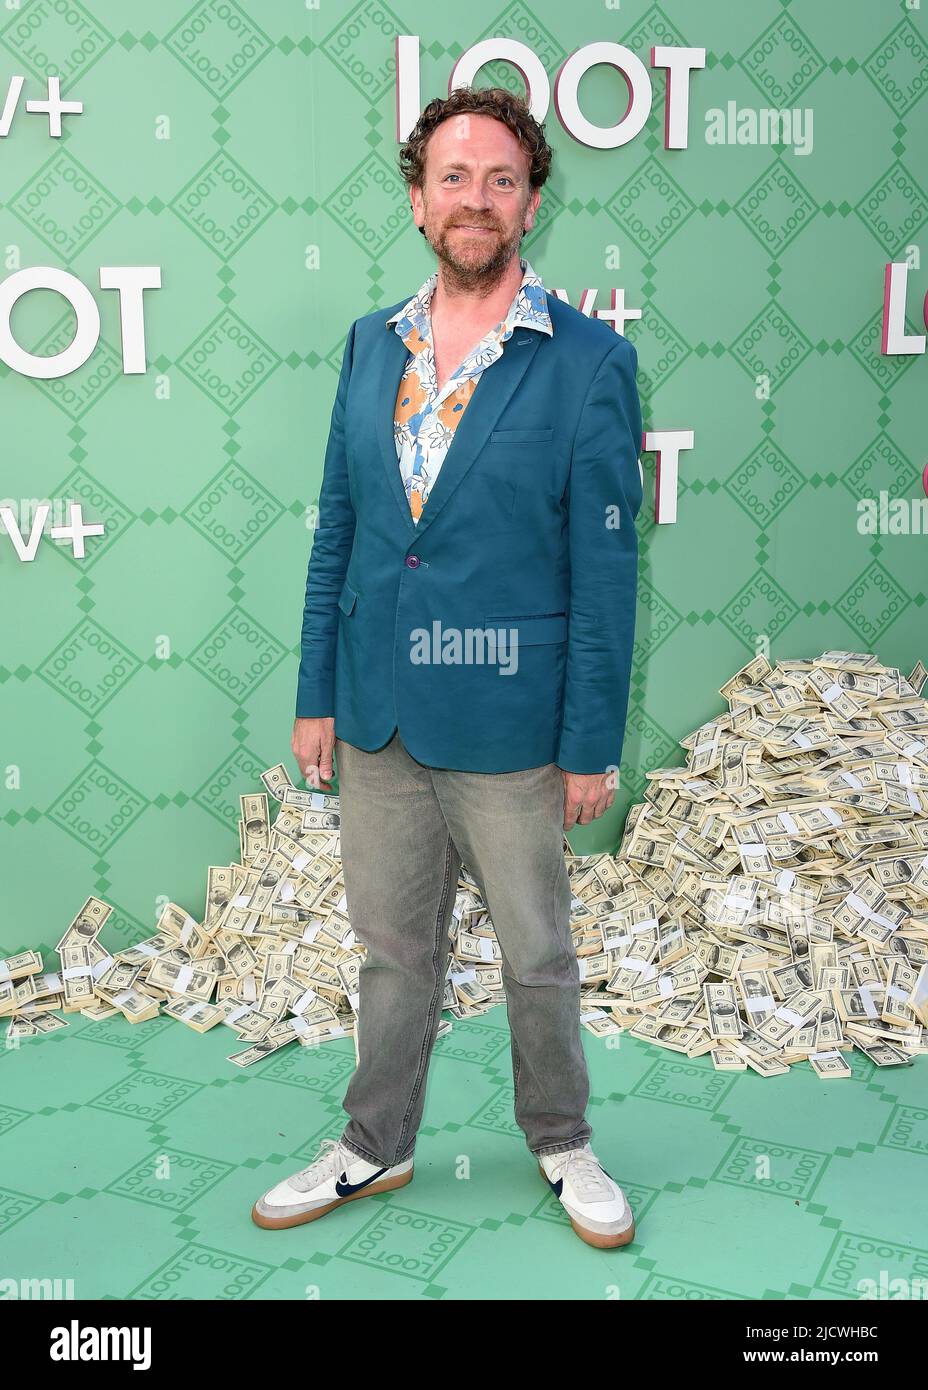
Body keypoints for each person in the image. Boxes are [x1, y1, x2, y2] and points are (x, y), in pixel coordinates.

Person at [252, 85, 643, 1249]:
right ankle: (375, 1143)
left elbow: (605, 574)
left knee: (537, 952)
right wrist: (316, 690)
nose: (476, 198)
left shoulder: (589, 362)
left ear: (530, 203)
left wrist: (588, 743)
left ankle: (562, 1140)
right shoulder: (370, 346)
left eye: (501, 179)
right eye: (455, 177)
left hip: (513, 723)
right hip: (377, 716)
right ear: (420, 197)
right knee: (390, 951)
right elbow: (342, 528)